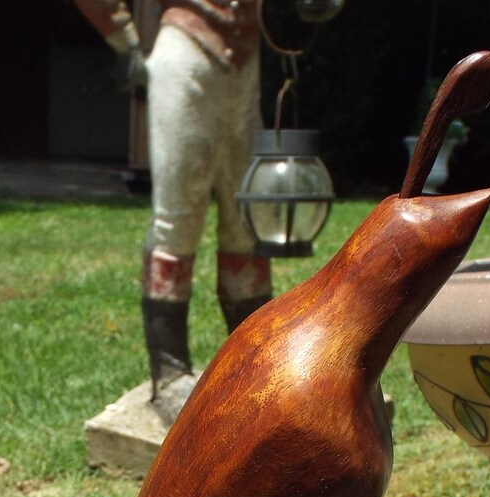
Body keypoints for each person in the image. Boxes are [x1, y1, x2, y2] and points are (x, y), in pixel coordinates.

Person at [74, 1, 343, 422]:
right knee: (177, 218)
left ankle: (254, 361)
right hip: (186, 54)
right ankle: (170, 369)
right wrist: (123, 39)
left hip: (245, 65)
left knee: (247, 220)